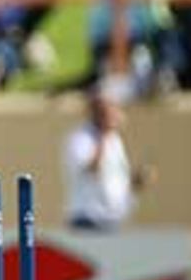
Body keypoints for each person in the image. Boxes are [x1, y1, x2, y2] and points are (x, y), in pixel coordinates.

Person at [61, 86, 154, 230]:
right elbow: (92, 169)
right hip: (88, 219)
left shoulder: (114, 140)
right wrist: (104, 134)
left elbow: (116, 177)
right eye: (106, 110)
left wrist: (137, 181)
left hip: (113, 219)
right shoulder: (80, 138)